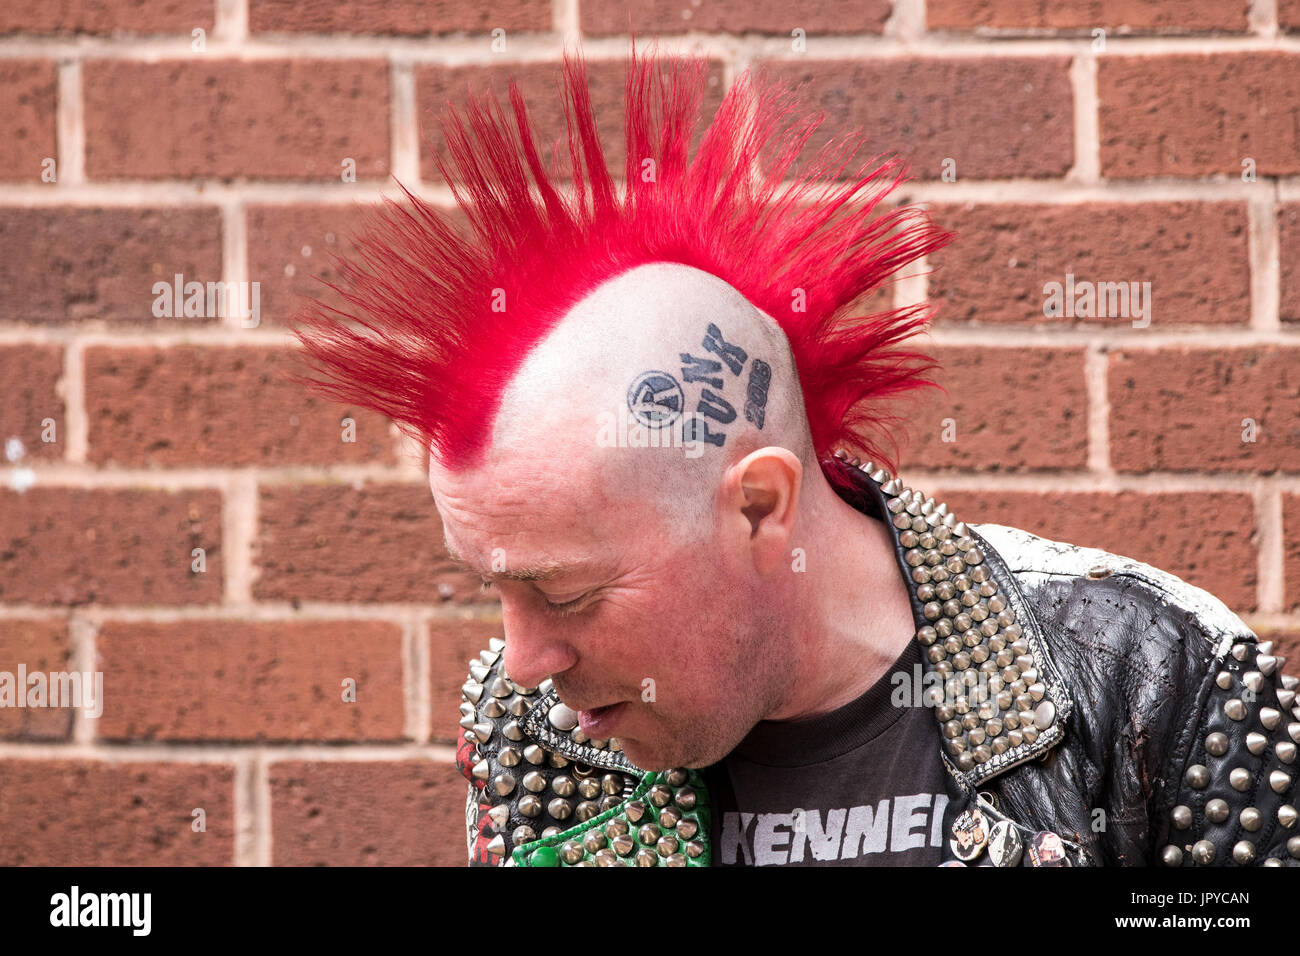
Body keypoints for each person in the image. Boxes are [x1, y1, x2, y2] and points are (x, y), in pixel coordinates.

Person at [289, 45, 1300, 867]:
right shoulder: (531, 733)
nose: (521, 660)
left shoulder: (1151, 675)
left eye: (566, 593)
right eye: (495, 591)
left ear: (762, 507)